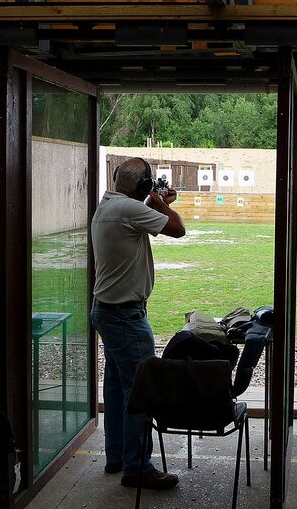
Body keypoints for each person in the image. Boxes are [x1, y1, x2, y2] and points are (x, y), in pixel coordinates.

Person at [90, 157, 185, 490]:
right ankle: (138, 467)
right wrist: (159, 202)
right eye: (148, 185)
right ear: (143, 186)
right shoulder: (129, 210)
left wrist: (153, 201)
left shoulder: (109, 205)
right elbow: (178, 228)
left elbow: (135, 218)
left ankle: (117, 456)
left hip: (108, 312)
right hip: (126, 316)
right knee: (141, 391)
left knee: (118, 389)